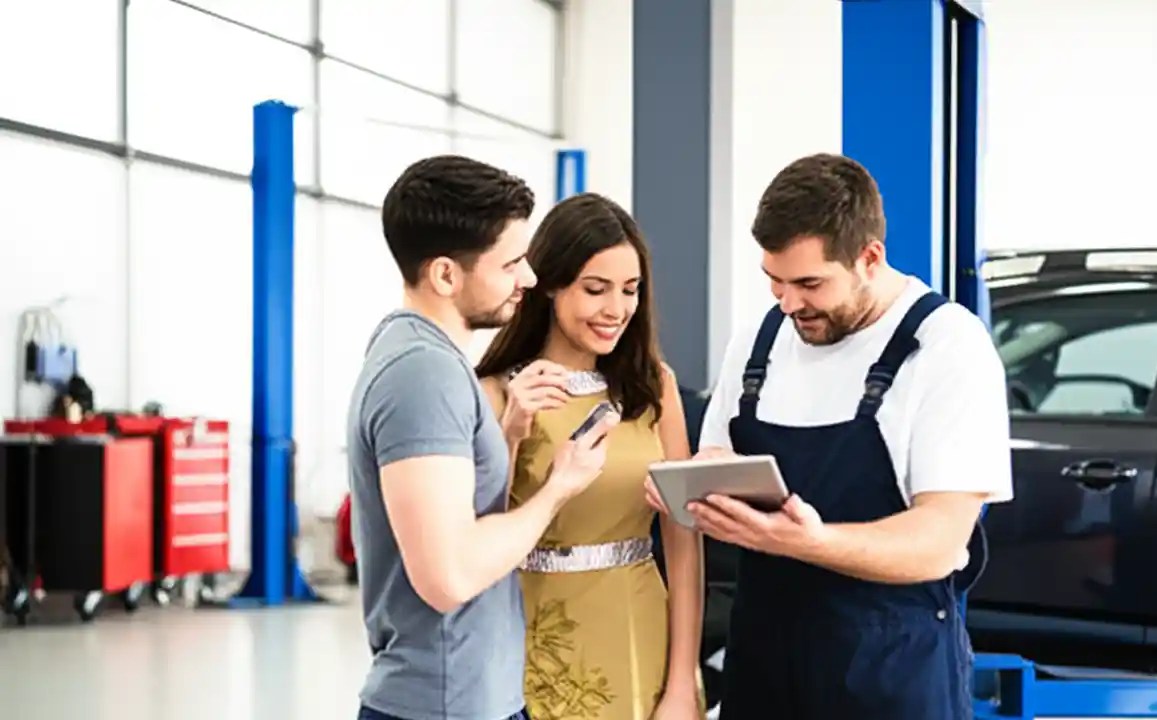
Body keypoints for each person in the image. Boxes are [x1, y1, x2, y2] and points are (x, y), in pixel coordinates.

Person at [646, 153, 1013, 719]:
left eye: (810, 283)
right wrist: (694, 487)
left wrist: (809, 542)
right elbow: (716, 459)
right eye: (775, 282)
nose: (790, 303)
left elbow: (941, 541)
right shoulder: (758, 342)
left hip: (889, 673)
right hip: (762, 667)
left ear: (869, 258)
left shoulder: (947, 347)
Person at [346, 156, 619, 720]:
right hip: (444, 705)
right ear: (446, 274)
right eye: (512, 263)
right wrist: (558, 489)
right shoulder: (422, 373)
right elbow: (450, 576)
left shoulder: (426, 359)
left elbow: (457, 511)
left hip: (476, 696)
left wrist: (508, 433)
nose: (529, 279)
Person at [474, 192, 706, 720]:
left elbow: (684, 543)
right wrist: (511, 430)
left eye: (630, 290)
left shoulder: (655, 388)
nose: (617, 310)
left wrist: (680, 684)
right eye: (595, 289)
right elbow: (474, 535)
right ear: (550, 284)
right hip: (528, 630)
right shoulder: (494, 392)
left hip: (637, 625)